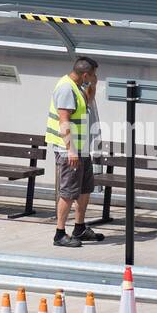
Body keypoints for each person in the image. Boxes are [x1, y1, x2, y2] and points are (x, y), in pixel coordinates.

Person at [45, 56, 105, 248]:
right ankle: (60, 233)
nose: (95, 77)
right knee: (69, 191)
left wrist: (93, 86)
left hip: (82, 148)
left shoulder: (78, 85)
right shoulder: (66, 88)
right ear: (85, 74)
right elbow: (64, 121)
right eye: (93, 75)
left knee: (85, 189)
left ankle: (79, 228)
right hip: (69, 150)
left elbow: (87, 101)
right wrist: (70, 150)